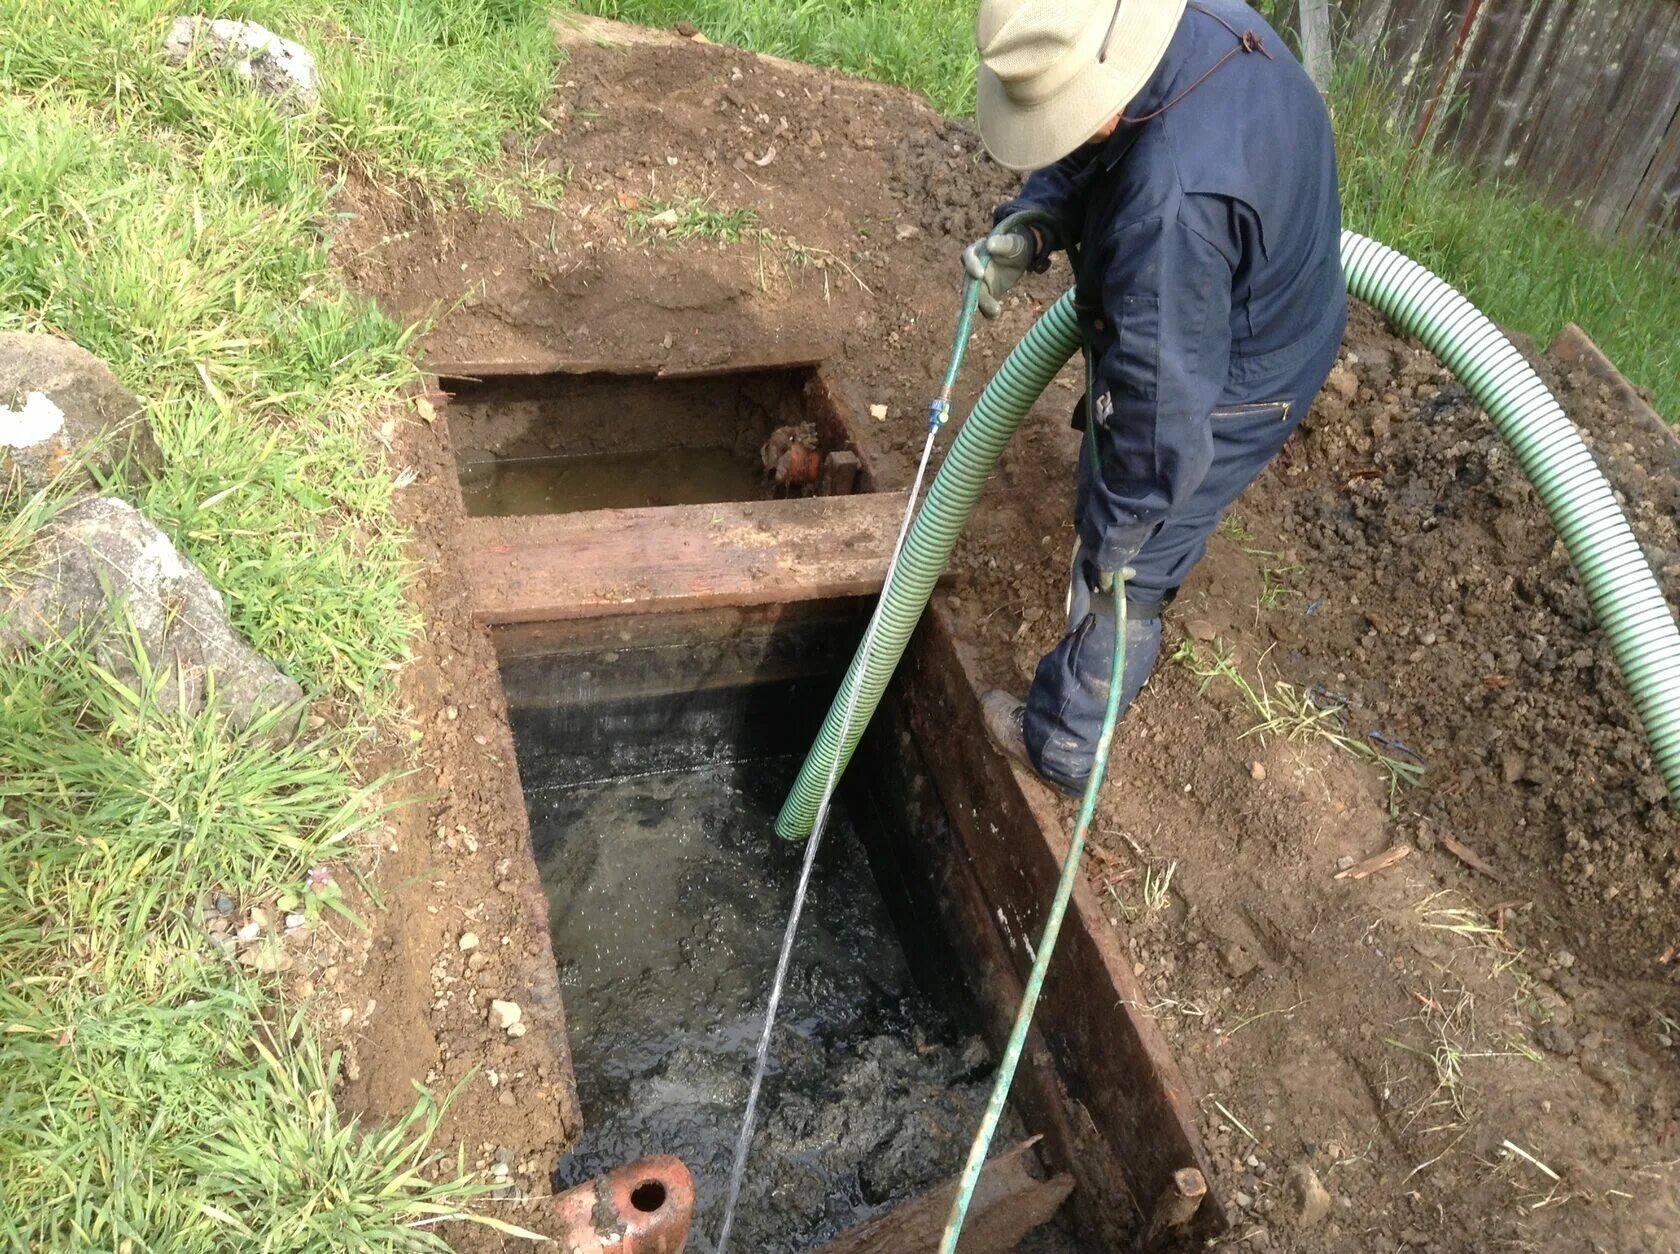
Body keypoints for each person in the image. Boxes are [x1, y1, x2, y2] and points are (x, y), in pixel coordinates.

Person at [969, 0, 1348, 794]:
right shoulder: (1172, 27)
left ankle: (1065, 744)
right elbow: (1103, 134)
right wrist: (1035, 220)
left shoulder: (1168, 214)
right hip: (1253, 286)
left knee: (1131, 556)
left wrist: (1117, 534)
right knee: (1125, 500)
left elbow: (1158, 409)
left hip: (1243, 369)